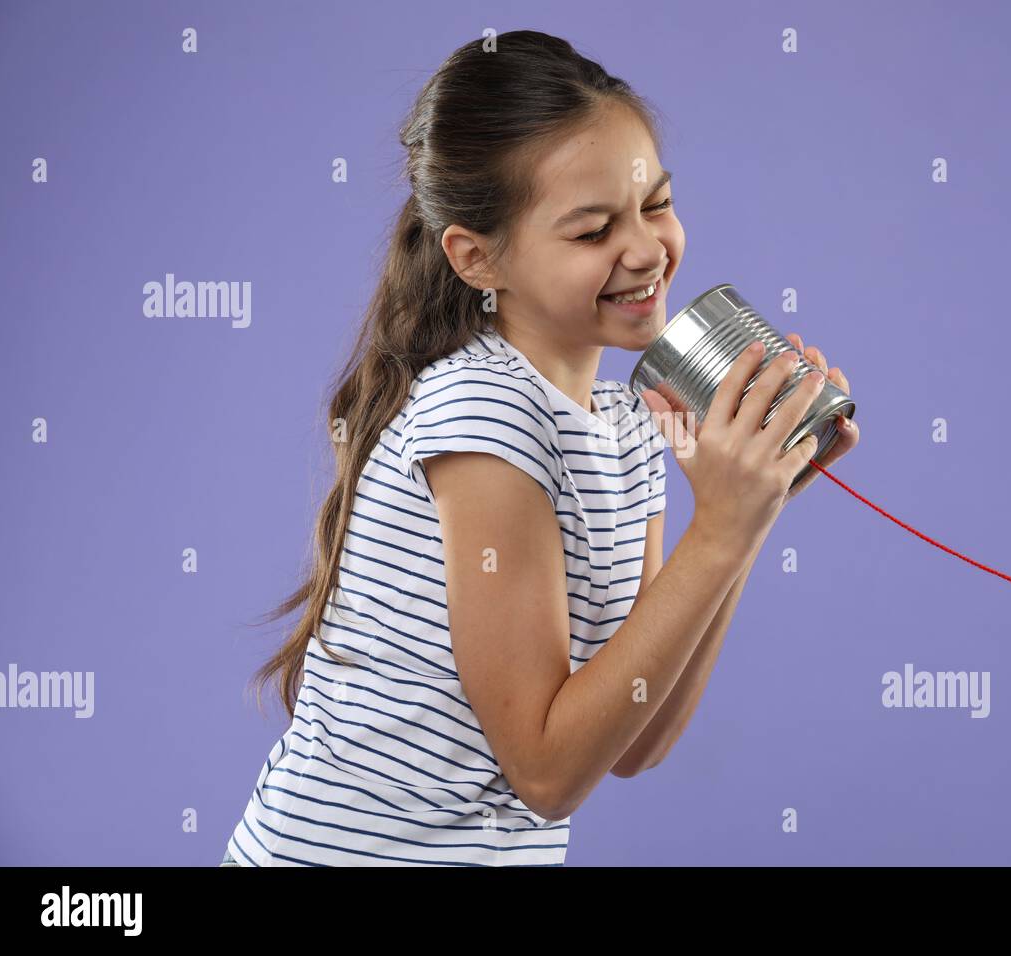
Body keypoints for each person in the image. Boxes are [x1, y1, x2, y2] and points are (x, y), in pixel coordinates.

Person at [222, 29, 857, 867]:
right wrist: (721, 534)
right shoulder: (484, 415)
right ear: (478, 258)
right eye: (593, 231)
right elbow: (548, 772)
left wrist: (750, 507)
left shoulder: (628, 422)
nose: (645, 250)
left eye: (656, 205)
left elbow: (633, 739)